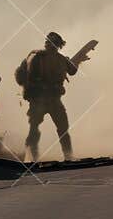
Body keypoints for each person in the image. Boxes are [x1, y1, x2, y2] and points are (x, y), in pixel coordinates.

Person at [16, 32, 85, 162]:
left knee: (63, 128)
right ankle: (31, 158)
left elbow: (72, 70)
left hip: (54, 100)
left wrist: (79, 60)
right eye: (48, 42)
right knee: (34, 129)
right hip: (38, 100)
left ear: (58, 45)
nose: (49, 44)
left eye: (52, 42)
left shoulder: (61, 59)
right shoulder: (37, 58)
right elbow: (28, 76)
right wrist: (34, 90)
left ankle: (68, 156)